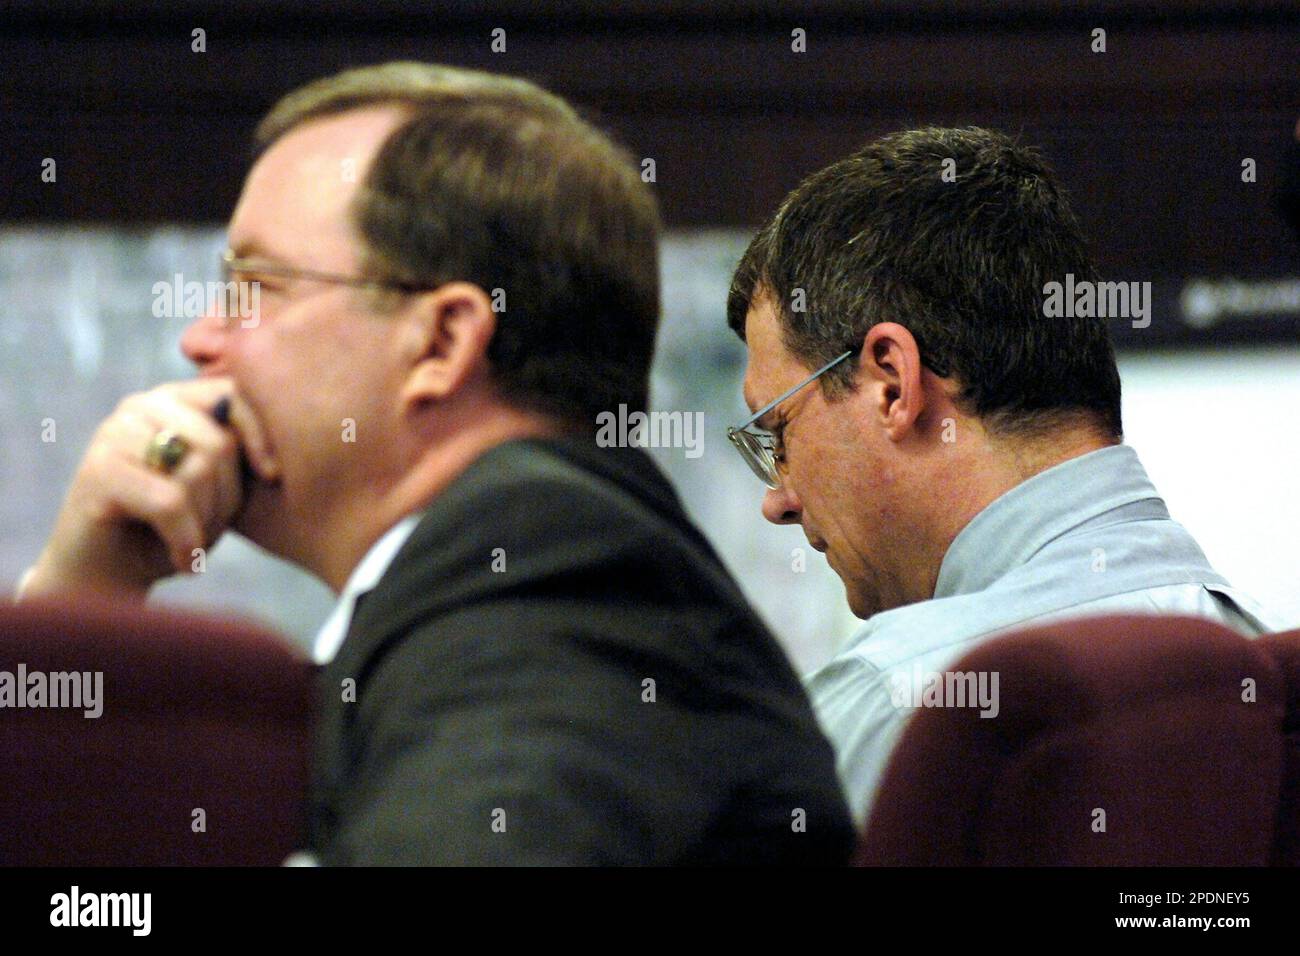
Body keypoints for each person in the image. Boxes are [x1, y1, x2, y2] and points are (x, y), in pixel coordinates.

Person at [18, 62, 855, 864]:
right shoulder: (489, 584)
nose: (198, 339)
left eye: (255, 288)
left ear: (443, 341)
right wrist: (82, 603)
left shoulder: (555, 579)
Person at [724, 125, 1287, 826]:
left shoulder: (890, 704)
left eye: (778, 431)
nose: (777, 499)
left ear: (892, 385)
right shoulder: (1269, 667)